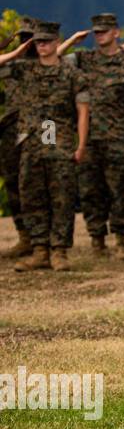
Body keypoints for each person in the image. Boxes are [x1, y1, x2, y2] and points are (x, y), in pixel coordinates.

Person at [0, 19, 90, 272]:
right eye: (38, 42)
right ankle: (40, 250)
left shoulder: (72, 74)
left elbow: (83, 111)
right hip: (31, 146)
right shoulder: (25, 70)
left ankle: (59, 251)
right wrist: (16, 52)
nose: (42, 46)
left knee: (62, 198)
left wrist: (81, 145)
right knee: (32, 197)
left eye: (47, 41)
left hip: (60, 144)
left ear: (57, 42)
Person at [60, 13, 124, 260]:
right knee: (90, 190)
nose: (99, 36)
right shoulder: (83, 59)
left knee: (119, 189)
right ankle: (97, 240)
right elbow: (51, 59)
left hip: (117, 136)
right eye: (96, 32)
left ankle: (120, 241)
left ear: (116, 32)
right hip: (88, 137)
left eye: (104, 31)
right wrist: (73, 40)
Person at [0, 19, 34, 260]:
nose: (28, 43)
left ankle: (46, 240)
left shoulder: (54, 66)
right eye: (24, 38)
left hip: (43, 129)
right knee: (13, 183)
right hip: (11, 130)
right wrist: (12, 51)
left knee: (44, 183)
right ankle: (25, 237)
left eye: (32, 38)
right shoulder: (9, 67)